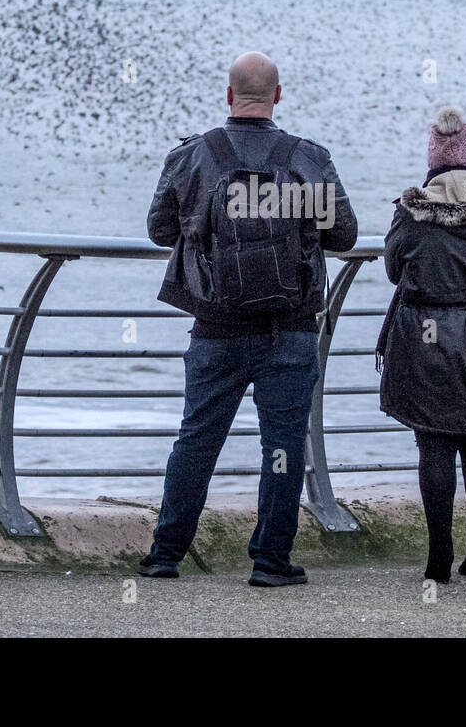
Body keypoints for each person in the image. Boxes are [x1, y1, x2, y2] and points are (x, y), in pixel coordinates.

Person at [140, 51, 358, 586]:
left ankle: (165, 554)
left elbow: (159, 230)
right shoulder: (307, 159)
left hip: (216, 325)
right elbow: (345, 236)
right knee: (282, 444)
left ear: (228, 95)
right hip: (291, 327)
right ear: (278, 96)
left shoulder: (194, 156)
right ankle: (270, 561)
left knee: (197, 440)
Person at [377, 106, 466, 583]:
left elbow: (395, 269)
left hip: (428, 340)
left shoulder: (413, 214)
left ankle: (439, 556)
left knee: (434, 445)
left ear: (433, 165)